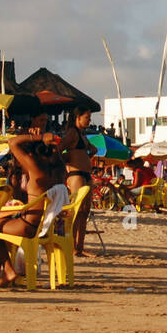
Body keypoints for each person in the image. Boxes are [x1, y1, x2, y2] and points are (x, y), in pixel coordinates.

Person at [0, 132, 64, 286]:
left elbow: (12, 142)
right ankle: (7, 270)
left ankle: (8, 271)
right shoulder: (52, 170)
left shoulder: (35, 170)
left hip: (27, 226)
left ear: (30, 155)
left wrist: (39, 137)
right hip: (37, 225)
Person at [58, 108, 96, 256]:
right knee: (76, 210)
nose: (89, 120)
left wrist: (87, 153)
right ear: (77, 117)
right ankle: (72, 245)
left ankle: (79, 247)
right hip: (76, 174)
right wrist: (69, 160)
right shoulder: (72, 133)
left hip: (85, 173)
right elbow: (60, 149)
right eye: (87, 117)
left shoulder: (82, 134)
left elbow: (92, 149)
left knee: (85, 211)